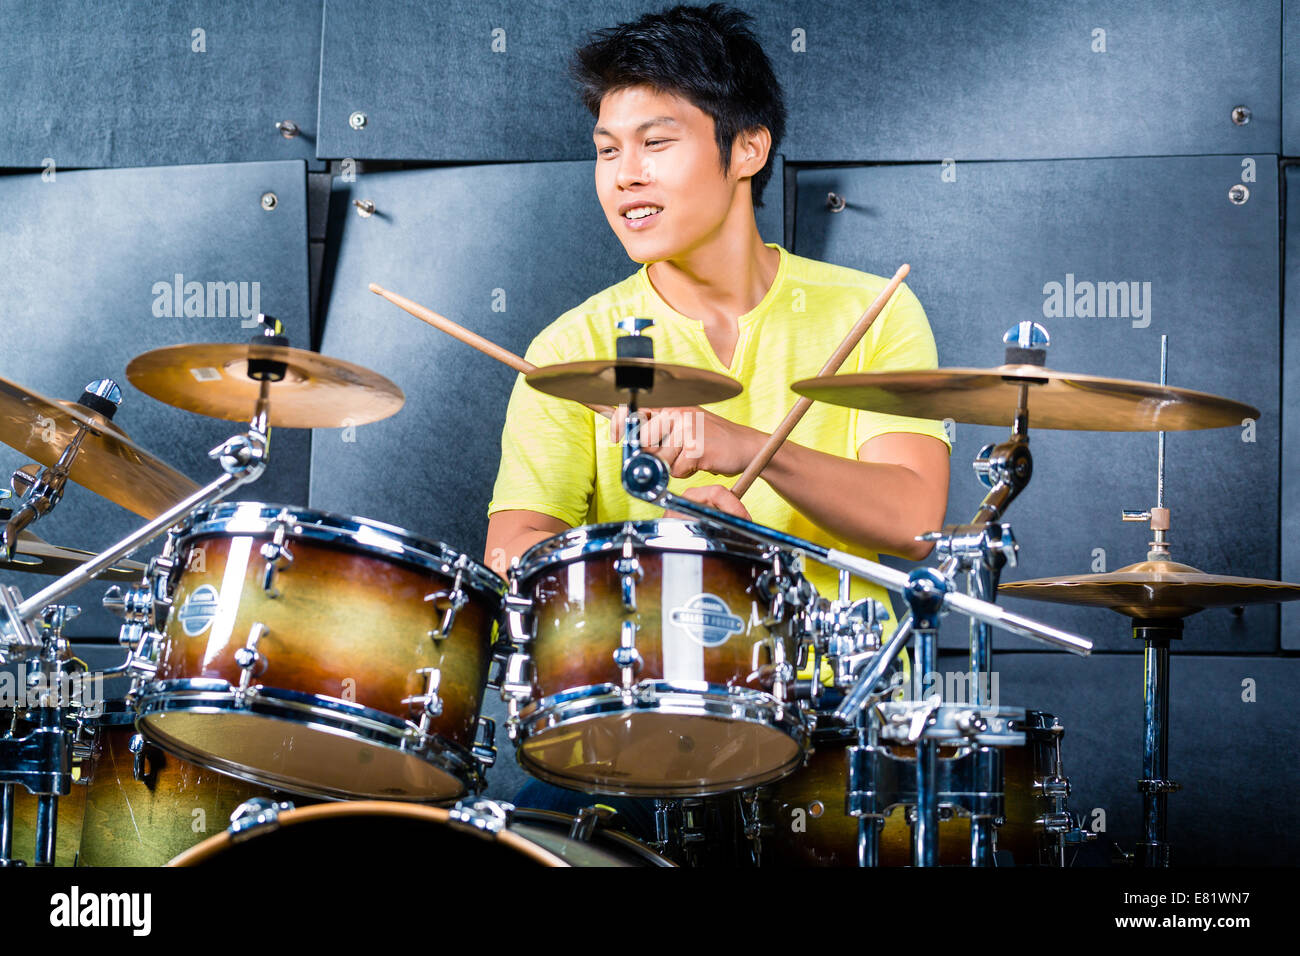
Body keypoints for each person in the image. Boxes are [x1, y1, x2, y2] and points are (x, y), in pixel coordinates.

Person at [482, 3, 951, 844]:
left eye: (656, 143)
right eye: (606, 150)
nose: (624, 174)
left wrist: (744, 451)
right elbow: (516, 547)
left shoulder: (873, 313)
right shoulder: (571, 348)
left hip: (844, 719)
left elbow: (916, 521)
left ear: (748, 149)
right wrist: (683, 555)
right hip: (650, 726)